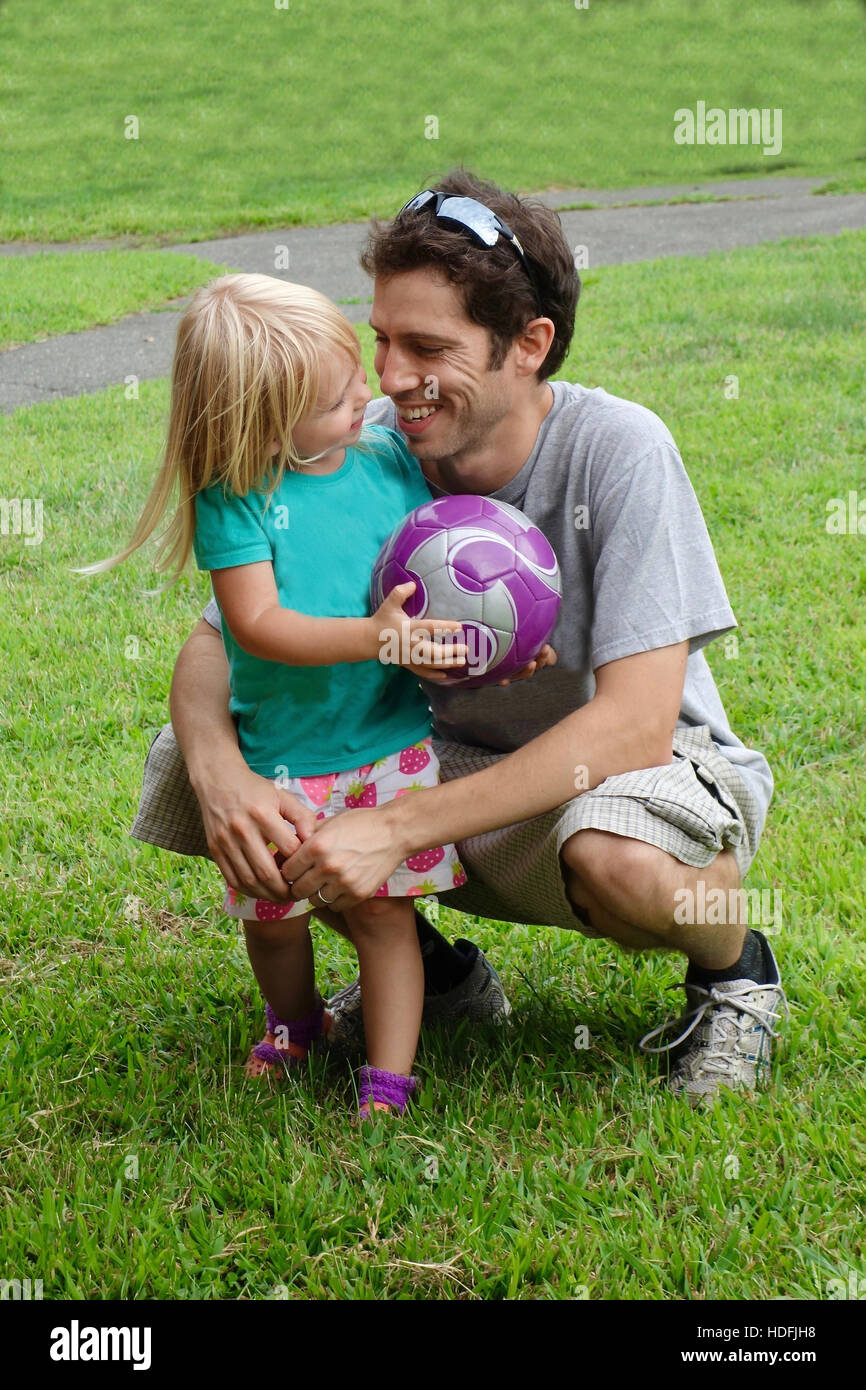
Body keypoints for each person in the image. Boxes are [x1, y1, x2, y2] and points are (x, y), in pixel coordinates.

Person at [131, 170, 787, 1105]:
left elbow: (633, 727)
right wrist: (220, 774)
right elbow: (221, 643)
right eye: (383, 341)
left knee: (625, 865)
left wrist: (389, 829)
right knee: (212, 769)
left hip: (614, 778)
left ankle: (736, 977)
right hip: (438, 757)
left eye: (428, 348)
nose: (393, 380)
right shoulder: (372, 442)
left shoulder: (621, 450)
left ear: (529, 344)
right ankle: (433, 974)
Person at [80, 271, 543, 1121]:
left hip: (383, 750)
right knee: (276, 918)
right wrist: (374, 637)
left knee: (382, 921)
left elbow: (455, 558)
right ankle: (296, 1024)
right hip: (279, 757)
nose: (372, 396)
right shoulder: (238, 498)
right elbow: (253, 623)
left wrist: (494, 638)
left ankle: (391, 1077)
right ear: (263, 424)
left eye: (356, 375)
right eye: (340, 398)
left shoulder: (386, 455)